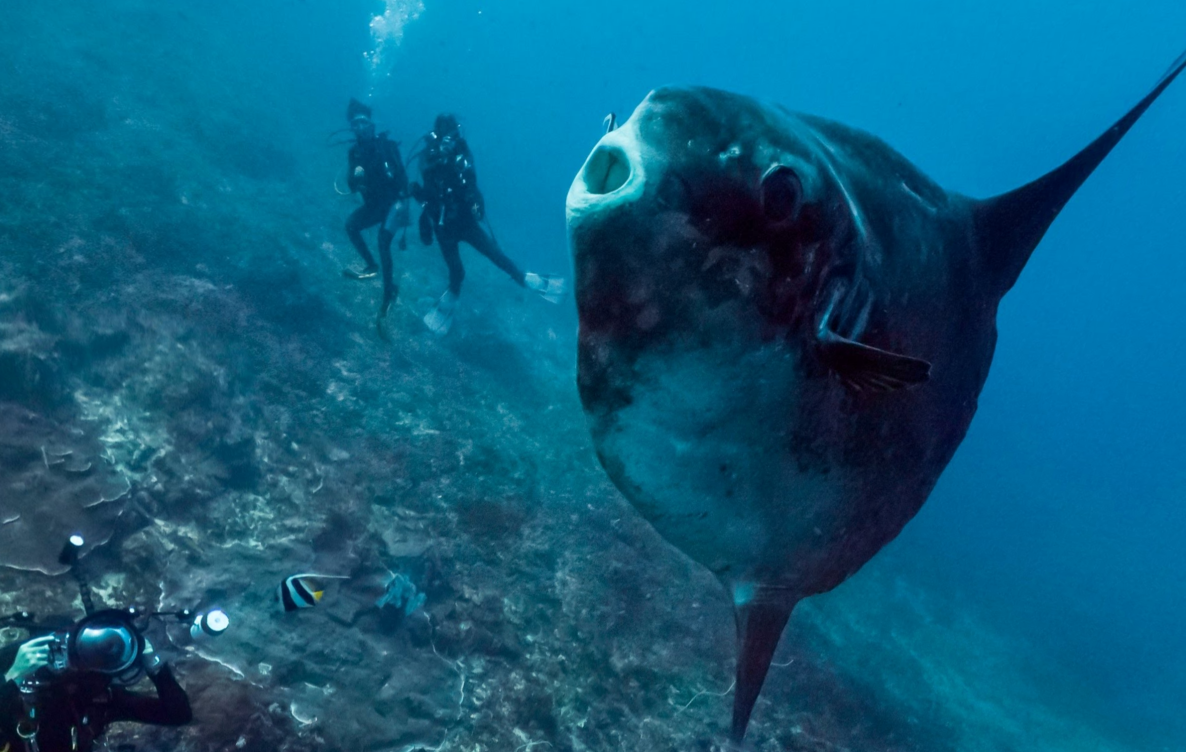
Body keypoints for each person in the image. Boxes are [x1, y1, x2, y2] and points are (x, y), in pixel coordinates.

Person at [410, 113, 565, 335]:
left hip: (465, 221)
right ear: (437, 134)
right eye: (445, 134)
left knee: (496, 255)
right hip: (443, 225)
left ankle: (526, 279)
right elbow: (426, 184)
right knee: (457, 270)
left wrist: (471, 196)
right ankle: (451, 297)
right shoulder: (428, 153)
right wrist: (435, 167)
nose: (449, 139)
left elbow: (470, 181)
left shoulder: (462, 151)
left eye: (452, 134)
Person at [0, 626, 192, 752]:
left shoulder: (97, 697)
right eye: (57, 650)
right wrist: (14, 676)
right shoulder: (21, 691)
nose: (65, 661)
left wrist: (155, 666)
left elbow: (178, 715)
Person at [342, 98, 411, 326]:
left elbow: (403, 179)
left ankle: (389, 294)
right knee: (351, 226)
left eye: (363, 122)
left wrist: (404, 208)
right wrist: (356, 177)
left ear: (371, 124)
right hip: (374, 205)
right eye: (355, 124)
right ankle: (371, 266)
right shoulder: (355, 153)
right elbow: (351, 185)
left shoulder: (387, 146)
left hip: (393, 205)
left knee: (383, 242)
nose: (359, 127)